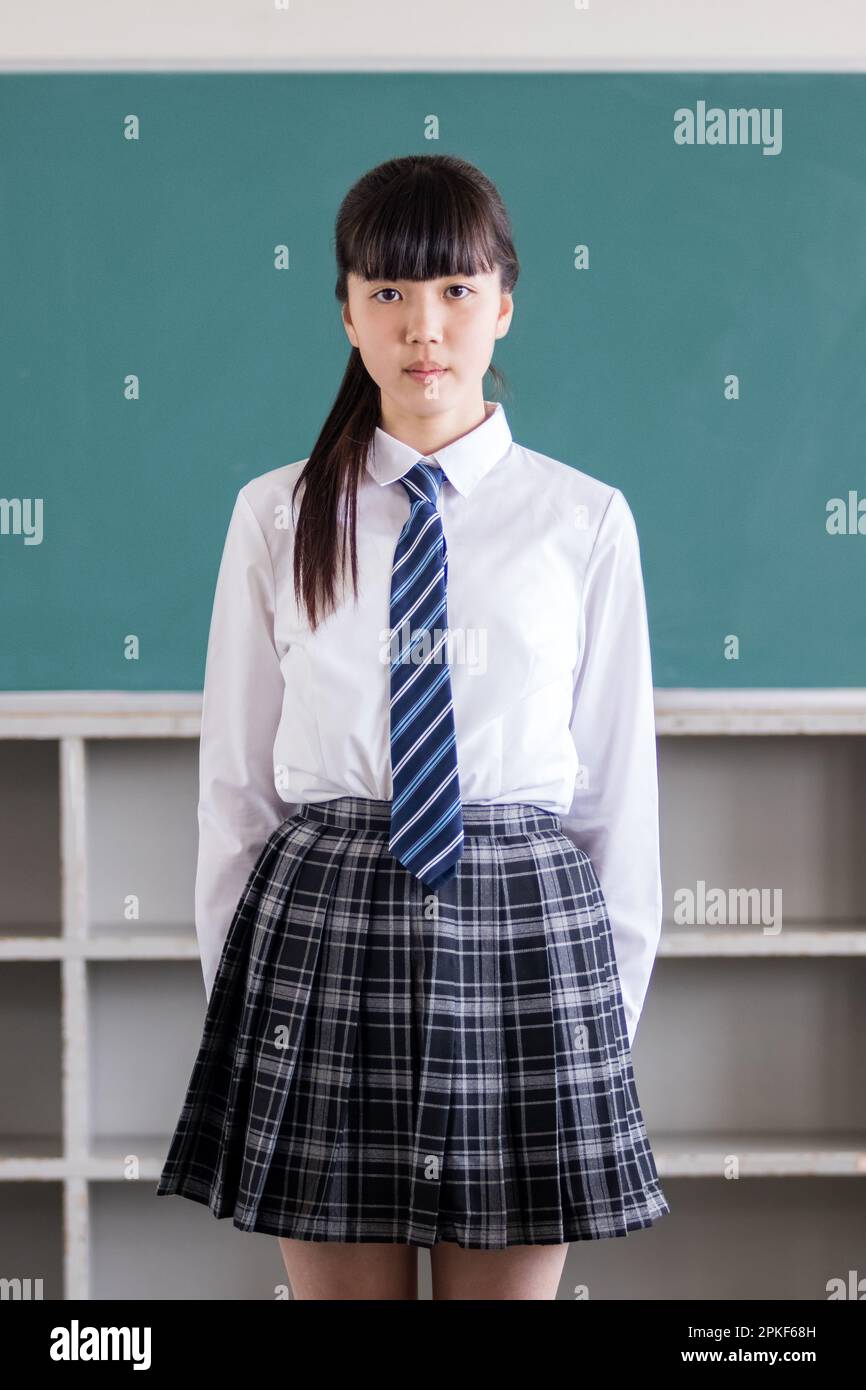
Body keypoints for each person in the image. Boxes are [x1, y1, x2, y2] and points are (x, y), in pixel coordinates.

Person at [156, 153, 670, 1301]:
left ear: (502, 303)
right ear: (345, 310)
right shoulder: (275, 514)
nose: (421, 326)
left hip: (530, 950)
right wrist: (250, 1017)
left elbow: (613, 801)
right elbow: (236, 792)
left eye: (450, 289)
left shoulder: (582, 521)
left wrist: (598, 1029)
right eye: (386, 293)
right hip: (323, 941)